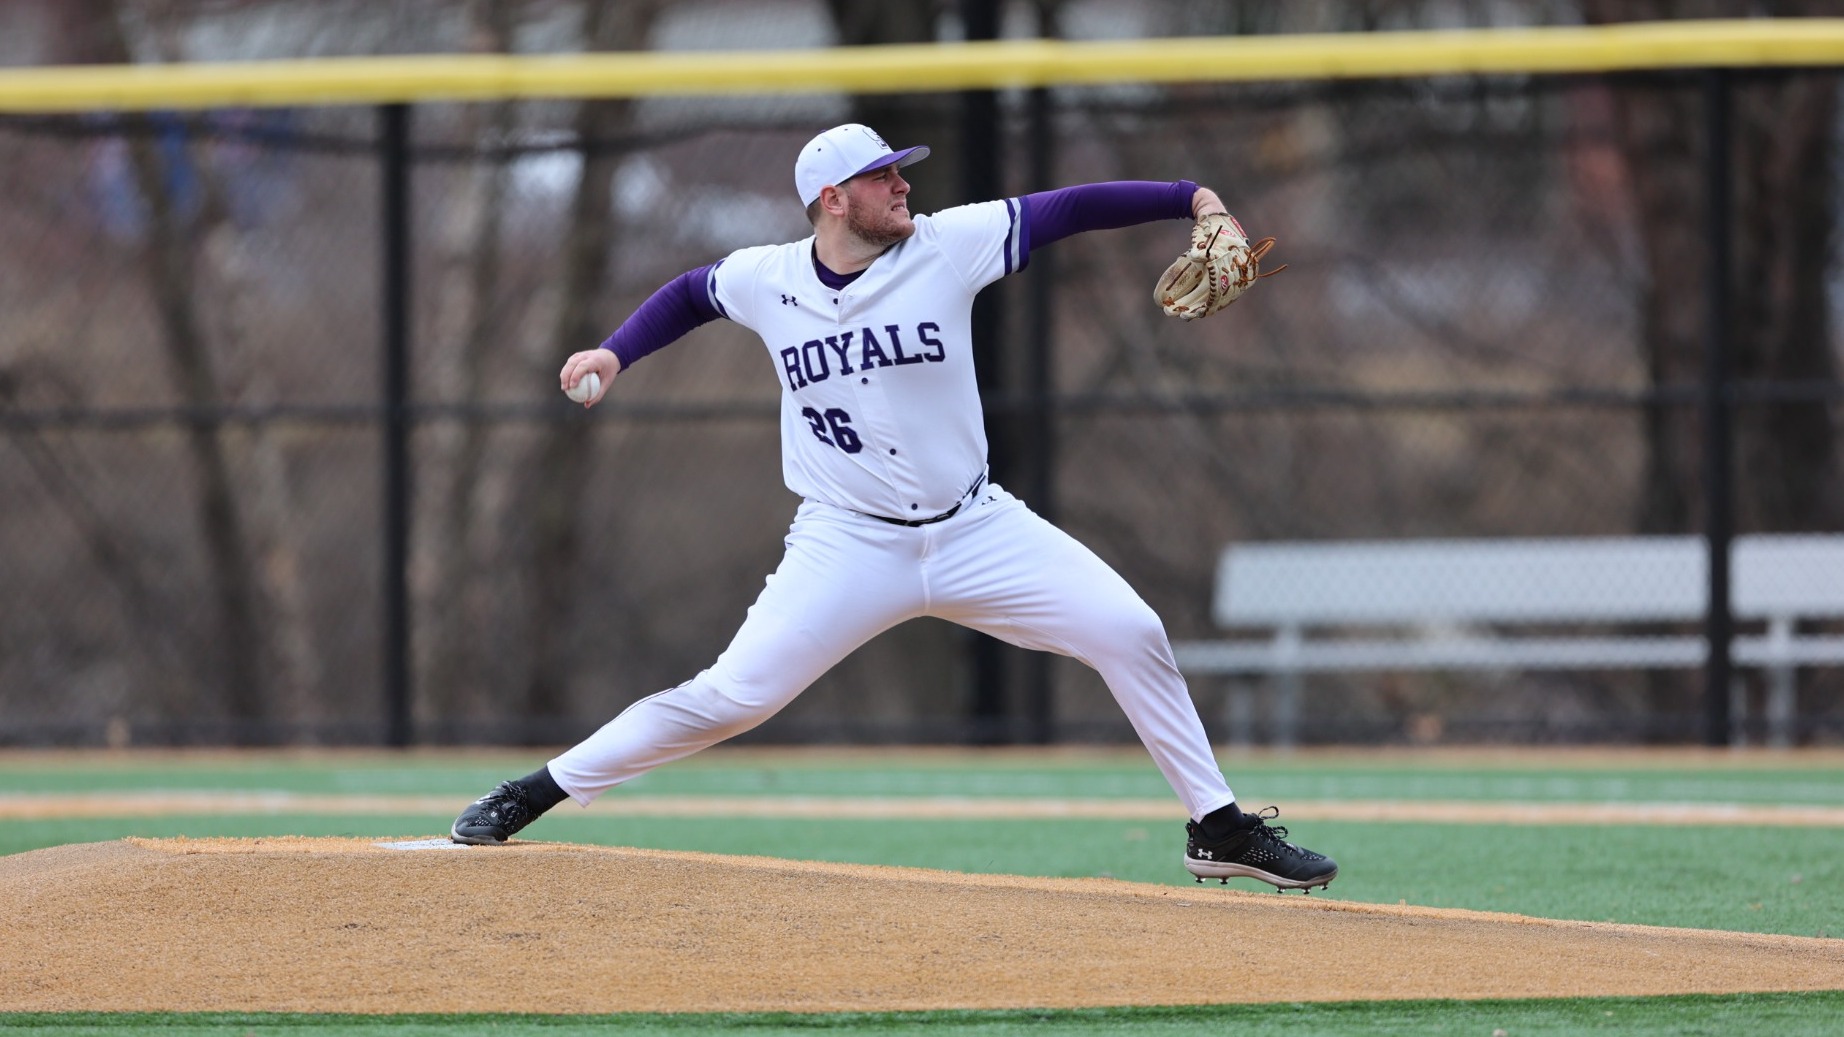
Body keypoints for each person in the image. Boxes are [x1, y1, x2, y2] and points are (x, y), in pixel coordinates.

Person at [450, 123, 1337, 892]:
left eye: (899, 170)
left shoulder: (947, 244)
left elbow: (1068, 207)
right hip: (847, 543)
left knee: (1131, 630)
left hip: (976, 526)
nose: (904, 183)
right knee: (731, 696)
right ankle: (533, 793)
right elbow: (691, 293)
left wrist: (1195, 198)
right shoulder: (769, 278)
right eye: (884, 176)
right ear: (833, 199)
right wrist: (613, 353)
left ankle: (1218, 828)